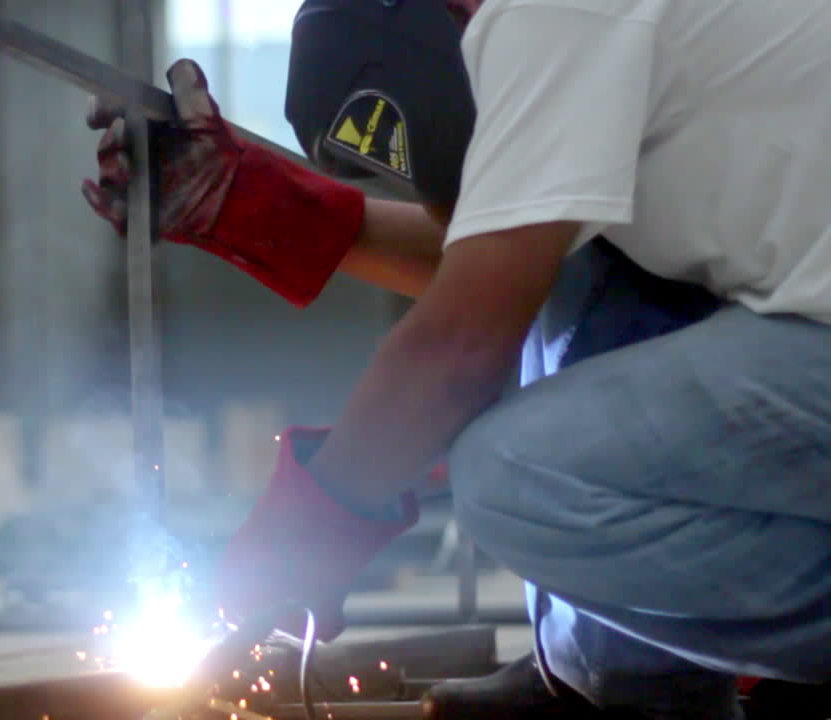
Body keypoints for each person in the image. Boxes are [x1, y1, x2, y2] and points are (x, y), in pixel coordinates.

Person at [82, 0, 831, 717]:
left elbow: (463, 336)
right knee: (587, 268)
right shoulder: (561, 30)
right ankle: (602, 670)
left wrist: (314, 524)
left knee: (513, 477)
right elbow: (508, 261)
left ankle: (632, 680)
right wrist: (257, 207)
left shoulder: (547, 18)